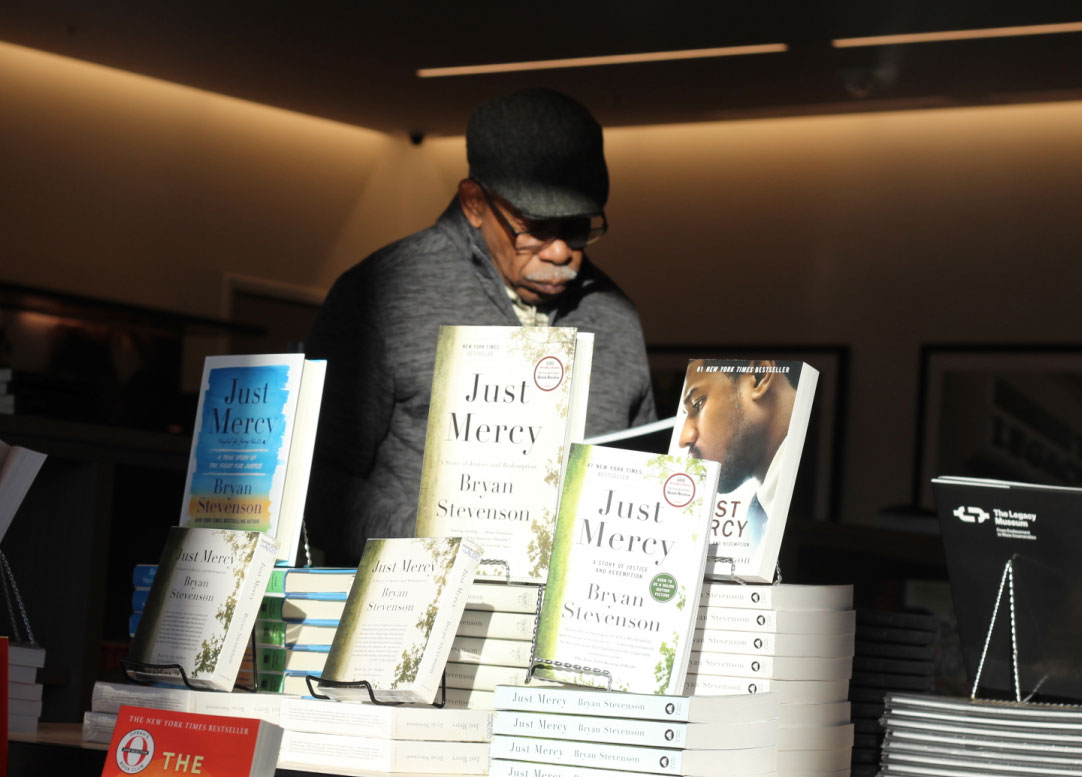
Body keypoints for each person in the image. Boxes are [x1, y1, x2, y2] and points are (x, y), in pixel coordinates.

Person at [304, 88, 656, 566]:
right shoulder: (384, 294)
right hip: (411, 609)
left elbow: (641, 485)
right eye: (535, 227)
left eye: (577, 228)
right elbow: (313, 480)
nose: (559, 253)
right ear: (473, 202)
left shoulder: (615, 318)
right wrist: (441, 552)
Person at [676, 359, 802, 537]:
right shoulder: (762, 510)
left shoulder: (803, 496)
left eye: (697, 403)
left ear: (759, 377)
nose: (683, 439)